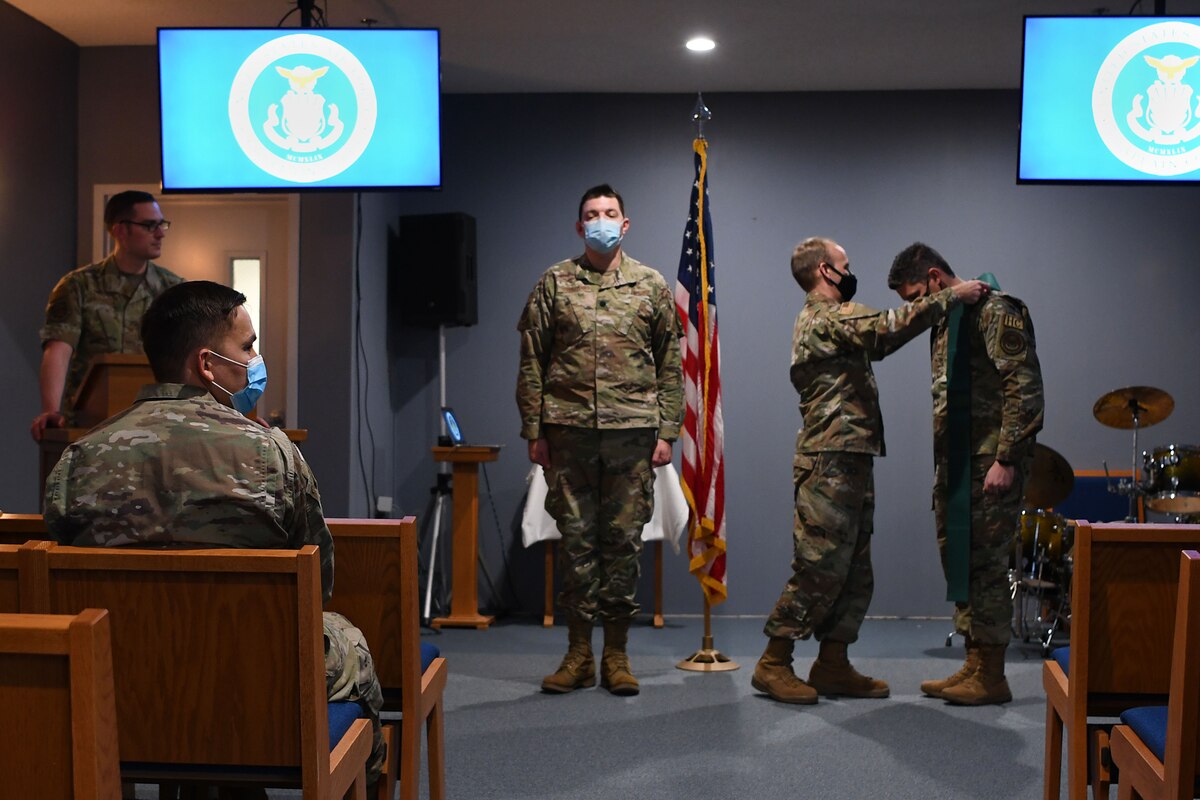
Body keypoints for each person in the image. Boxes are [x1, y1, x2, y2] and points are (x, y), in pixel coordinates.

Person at [42, 280, 386, 785]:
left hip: (118, 688)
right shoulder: (273, 453)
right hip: (250, 687)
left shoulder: (78, 461)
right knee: (349, 641)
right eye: (247, 347)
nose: (257, 358)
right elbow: (318, 584)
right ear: (206, 365)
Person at [752, 237, 989, 705]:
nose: (849, 271)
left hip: (851, 457)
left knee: (856, 571)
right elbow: (885, 329)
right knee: (818, 565)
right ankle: (773, 661)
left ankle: (833, 663)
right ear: (825, 270)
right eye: (845, 265)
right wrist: (949, 297)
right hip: (828, 460)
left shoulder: (833, 320)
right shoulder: (823, 318)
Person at [516, 184, 683, 696]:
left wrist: (668, 432)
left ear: (625, 224)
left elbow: (669, 365)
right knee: (577, 547)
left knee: (624, 547)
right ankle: (577, 655)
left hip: (632, 437)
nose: (602, 221)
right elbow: (532, 361)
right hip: (568, 437)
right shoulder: (554, 283)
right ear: (579, 225)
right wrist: (534, 430)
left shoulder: (651, 285)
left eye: (610, 213)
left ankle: (616, 656)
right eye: (592, 214)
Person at [887, 242, 1044, 705]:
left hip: (990, 463)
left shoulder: (996, 311)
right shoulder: (949, 320)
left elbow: (1024, 387)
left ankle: (993, 675)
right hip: (957, 464)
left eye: (916, 294)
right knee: (963, 560)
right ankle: (975, 664)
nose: (916, 307)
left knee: (988, 565)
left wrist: (1007, 458)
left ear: (936, 278)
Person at [33, 190, 184, 440]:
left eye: (162, 225)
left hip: (153, 425)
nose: (160, 233)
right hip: (91, 426)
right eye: (150, 225)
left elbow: (189, 357)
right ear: (120, 230)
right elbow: (58, 350)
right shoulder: (79, 286)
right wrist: (51, 409)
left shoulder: (172, 289)